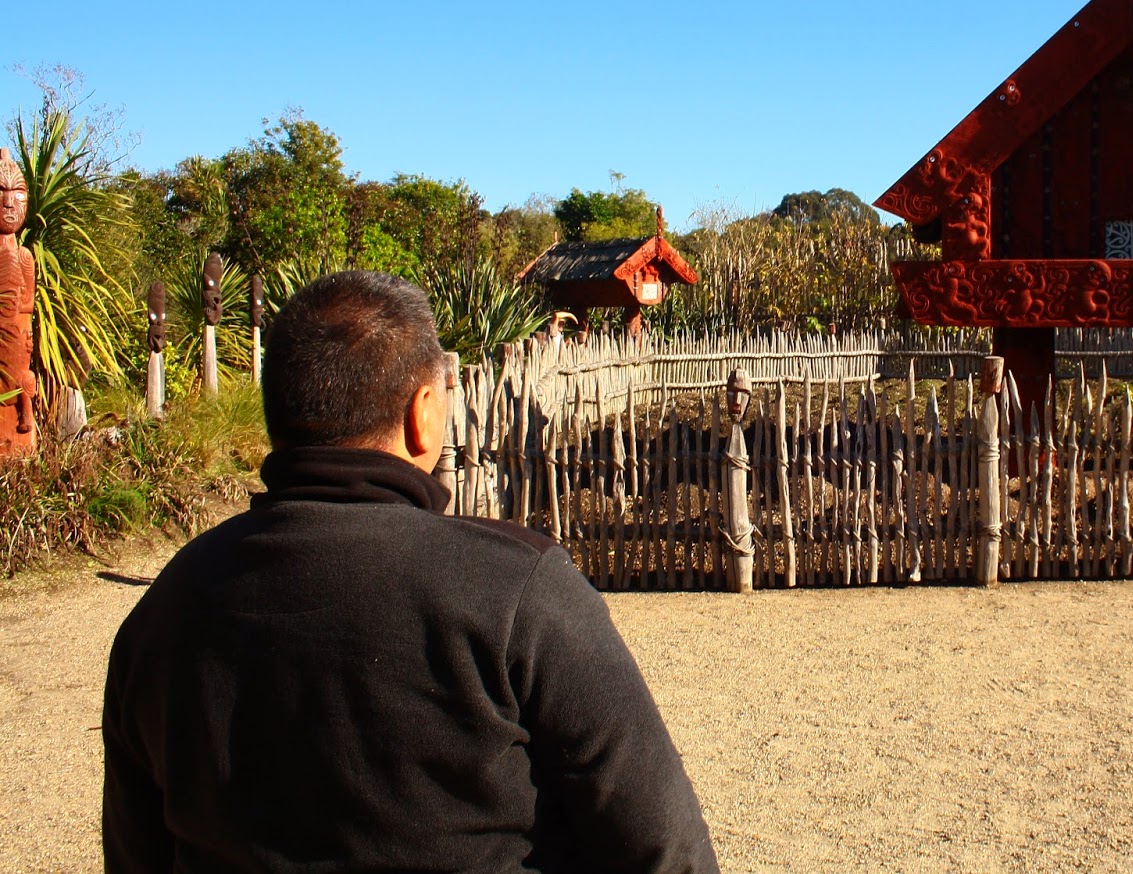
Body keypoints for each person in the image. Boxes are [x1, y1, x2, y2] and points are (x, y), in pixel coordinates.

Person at [103, 270, 719, 873]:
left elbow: (136, 851)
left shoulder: (166, 607)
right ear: (423, 413)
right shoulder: (513, 590)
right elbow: (661, 845)